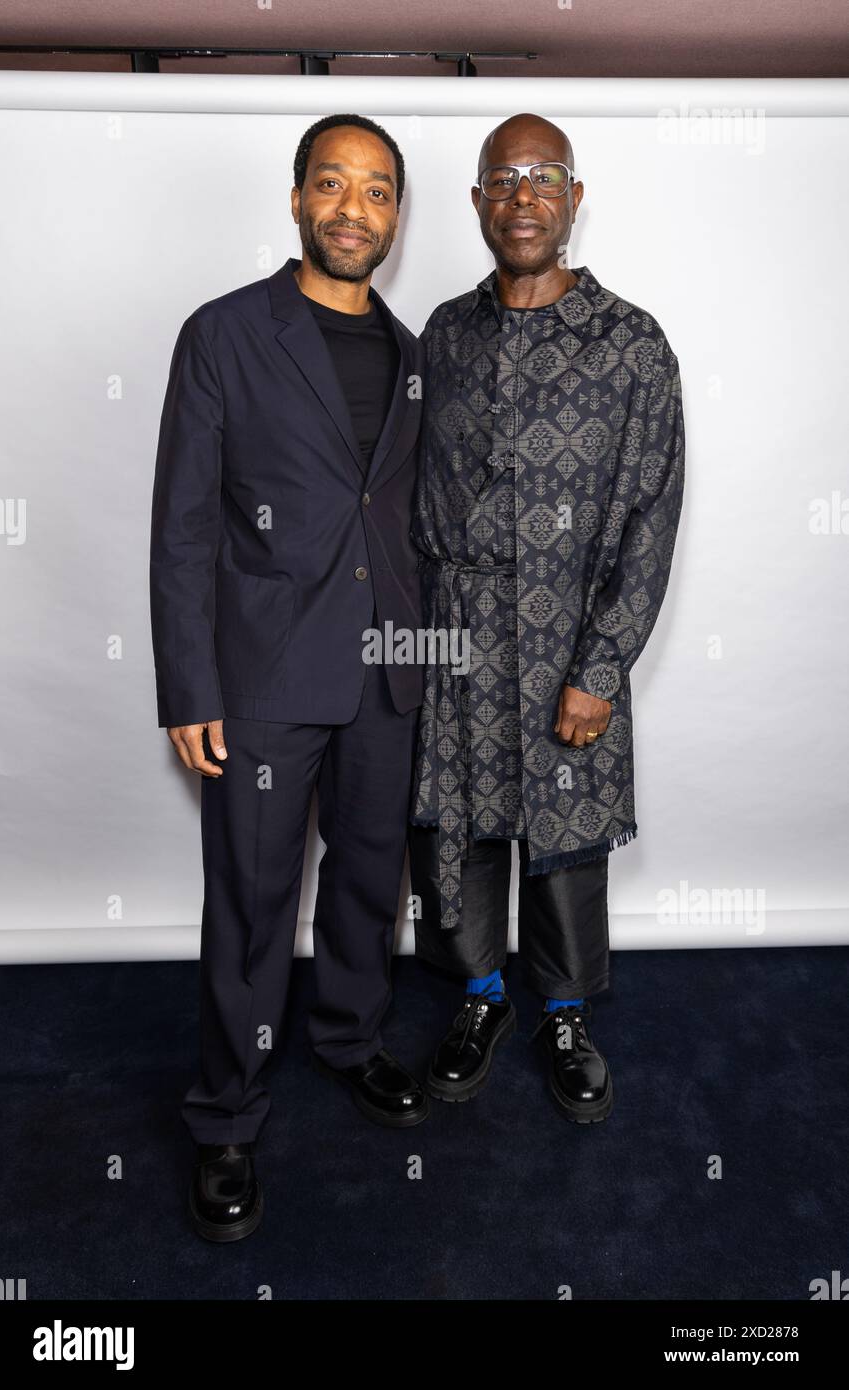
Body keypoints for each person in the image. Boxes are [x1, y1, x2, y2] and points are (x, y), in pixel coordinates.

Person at [149, 114, 427, 1243]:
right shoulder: (223, 334)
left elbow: (398, 519)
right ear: (299, 200)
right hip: (261, 674)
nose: (352, 208)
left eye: (375, 191)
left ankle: (351, 1042)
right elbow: (180, 526)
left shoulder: (413, 353)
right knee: (257, 905)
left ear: (395, 217)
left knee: (367, 881)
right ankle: (225, 1117)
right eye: (332, 184)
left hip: (386, 670)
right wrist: (188, 684)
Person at [408, 113, 685, 1125]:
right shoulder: (442, 331)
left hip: (565, 639)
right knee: (460, 829)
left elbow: (649, 515)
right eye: (501, 179)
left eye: (542, 177)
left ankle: (562, 1013)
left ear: (572, 199)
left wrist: (601, 667)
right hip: (456, 639)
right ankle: (479, 997)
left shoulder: (630, 344)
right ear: (476, 201)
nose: (521, 197)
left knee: (562, 837)